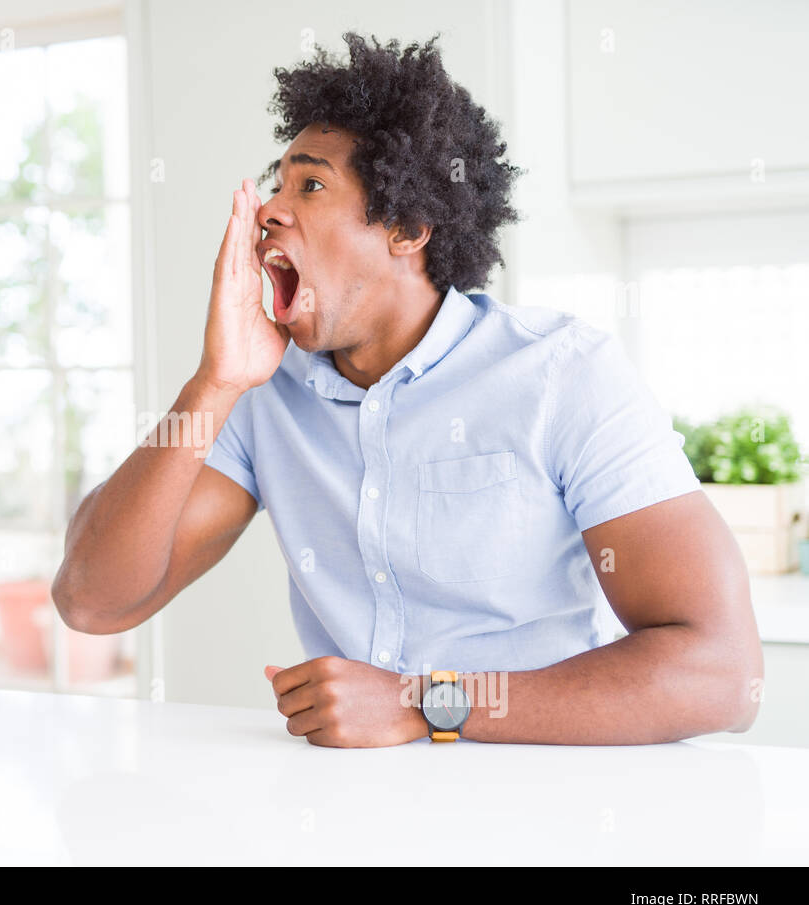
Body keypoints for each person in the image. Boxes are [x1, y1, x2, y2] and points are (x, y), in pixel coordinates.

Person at [52, 33, 761, 747]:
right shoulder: (264, 394)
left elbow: (723, 674)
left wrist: (425, 701)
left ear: (407, 227)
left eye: (311, 184)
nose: (269, 210)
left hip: (547, 812)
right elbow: (92, 601)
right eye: (276, 185)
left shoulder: (563, 376)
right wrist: (213, 384)